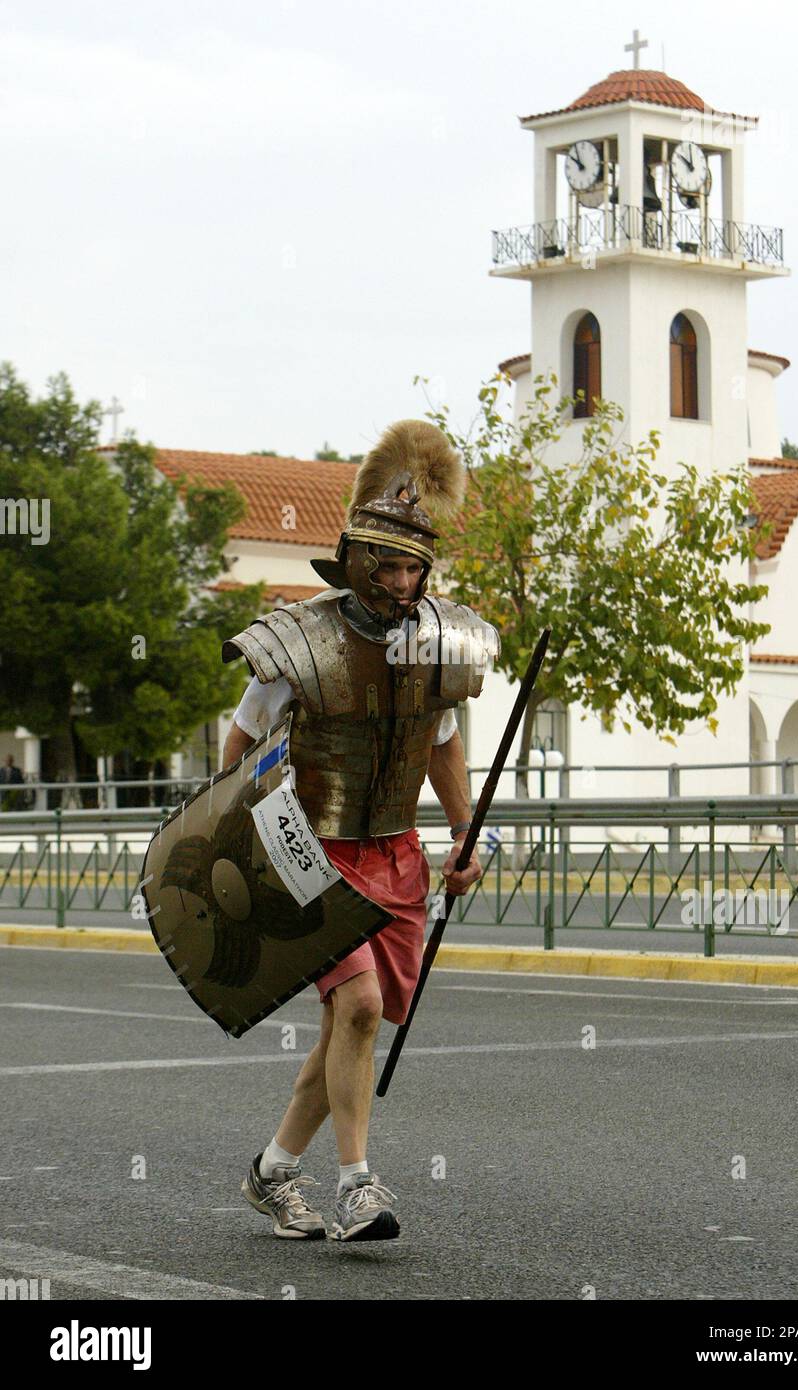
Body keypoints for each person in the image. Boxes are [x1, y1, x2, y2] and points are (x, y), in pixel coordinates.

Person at [220, 419, 498, 1242]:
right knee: (362, 1007)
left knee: (350, 1024)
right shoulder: (298, 641)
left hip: (396, 854)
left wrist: (465, 834)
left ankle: (272, 1173)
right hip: (311, 850)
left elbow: (442, 746)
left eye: (416, 564)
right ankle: (357, 1186)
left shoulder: (438, 643)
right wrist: (240, 837)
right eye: (391, 562)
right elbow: (238, 746)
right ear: (357, 562)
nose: (405, 578)